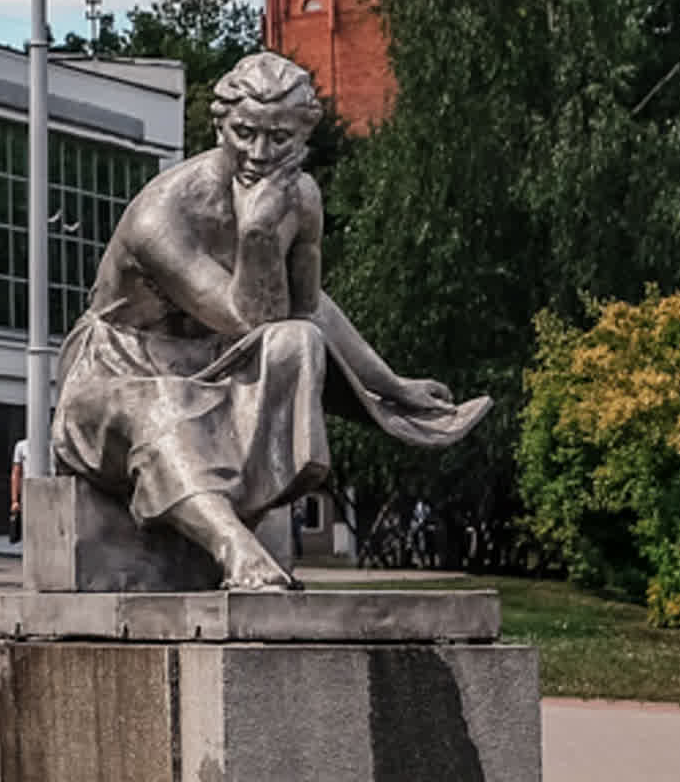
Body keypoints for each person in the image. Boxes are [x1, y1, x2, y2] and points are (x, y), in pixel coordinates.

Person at [53, 52, 487, 589]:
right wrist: (257, 235)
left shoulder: (300, 197)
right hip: (117, 374)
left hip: (210, 364)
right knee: (161, 405)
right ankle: (233, 547)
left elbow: (309, 309)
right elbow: (242, 317)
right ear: (220, 126)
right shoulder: (161, 217)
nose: (260, 153)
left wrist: (389, 386)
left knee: (298, 341)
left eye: (279, 138)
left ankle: (249, 503)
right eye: (245, 133)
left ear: (304, 136)